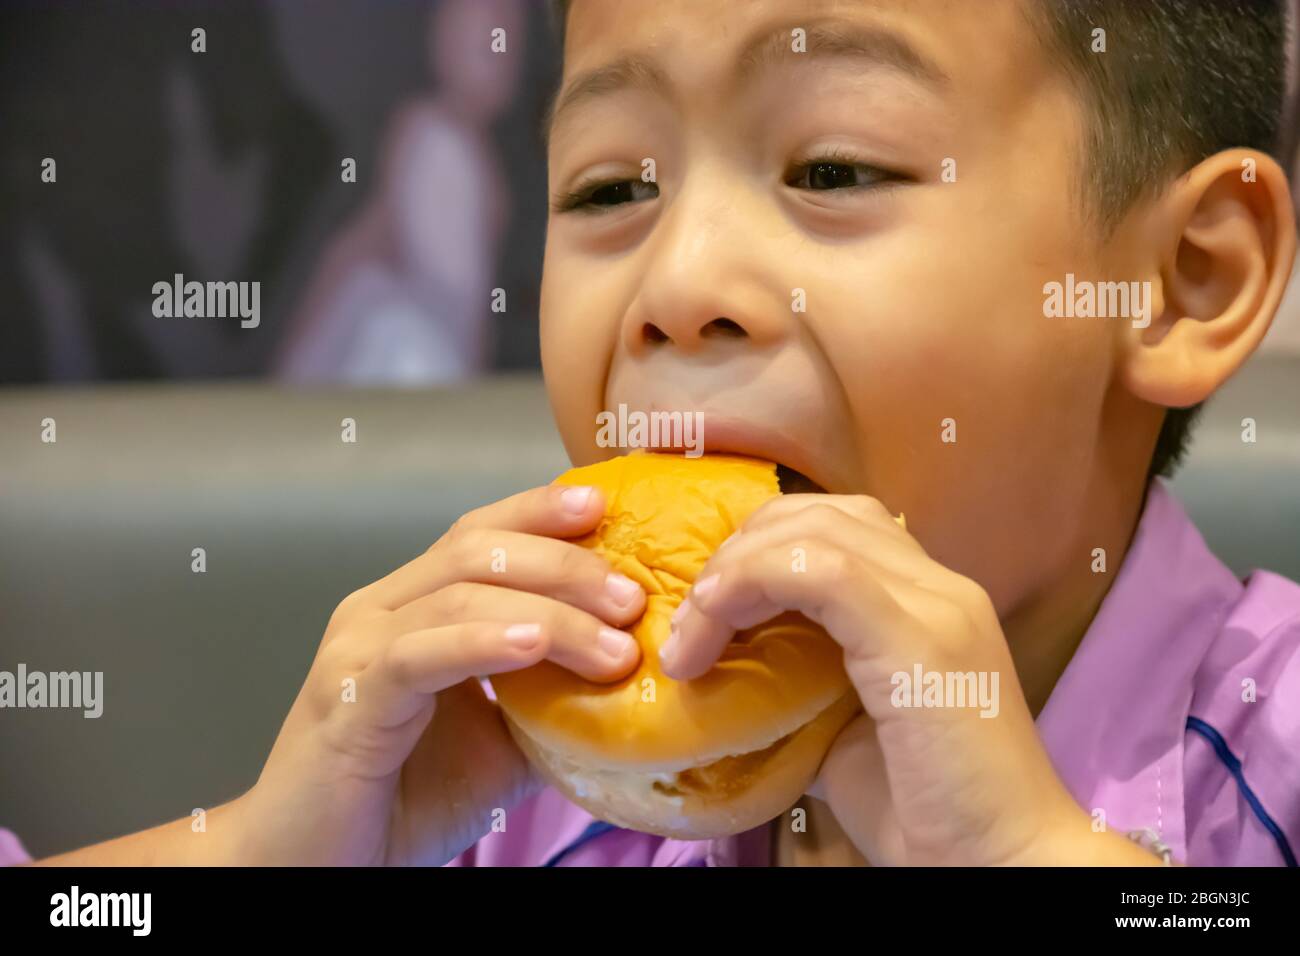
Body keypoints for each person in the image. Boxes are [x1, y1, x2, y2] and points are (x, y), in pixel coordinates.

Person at [12, 0, 1299, 866]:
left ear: (1185, 278)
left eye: (834, 169)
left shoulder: (1275, 734)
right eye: (611, 189)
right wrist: (262, 847)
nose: (676, 287)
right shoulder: (528, 794)